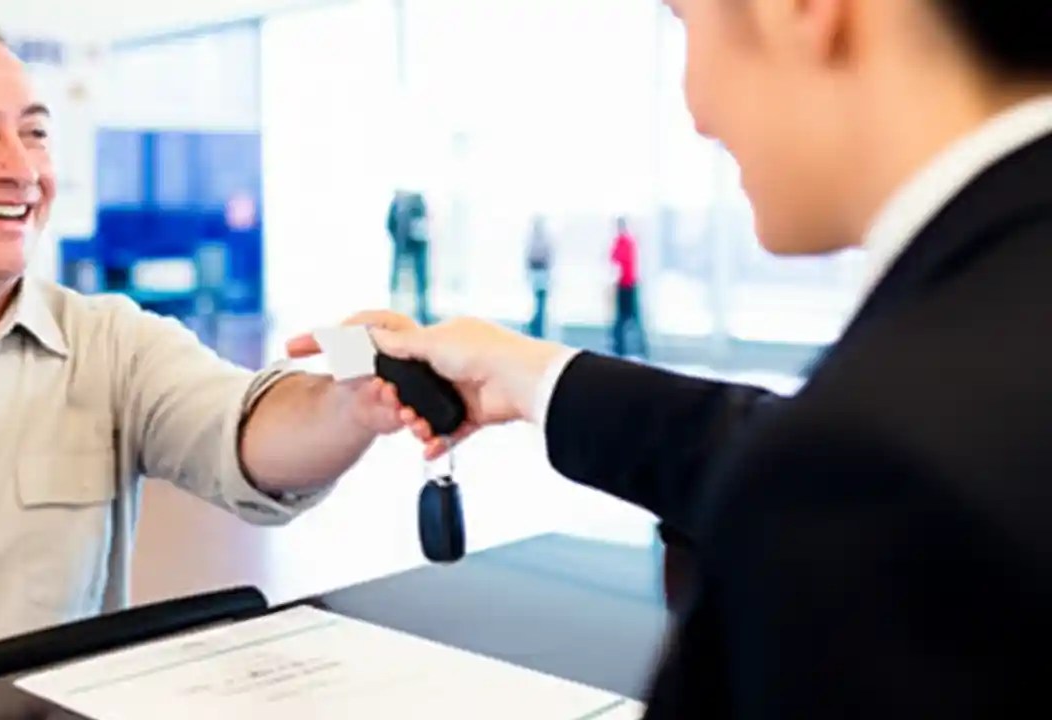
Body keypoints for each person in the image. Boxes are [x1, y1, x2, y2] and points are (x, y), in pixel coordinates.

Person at [292, 0, 1052, 716]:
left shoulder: (879, 470)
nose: (697, 112)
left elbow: (854, 477)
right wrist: (538, 379)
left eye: (687, 17)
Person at [0, 15, 405, 719]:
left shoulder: (113, 344)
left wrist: (349, 405)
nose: (21, 167)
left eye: (36, 132)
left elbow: (245, 429)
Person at [385, 189, 431, 324]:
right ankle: (400, 314)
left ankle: (419, 315)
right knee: (404, 282)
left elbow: (390, 225)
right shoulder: (408, 203)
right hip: (406, 247)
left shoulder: (414, 204)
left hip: (412, 248)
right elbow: (391, 225)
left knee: (416, 284)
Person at [609, 217, 648, 358]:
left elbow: (614, 259)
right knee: (630, 318)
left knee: (624, 319)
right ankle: (635, 349)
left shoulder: (623, 242)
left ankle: (620, 349)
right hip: (629, 284)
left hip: (626, 285)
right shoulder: (630, 242)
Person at [525, 215, 553, 337]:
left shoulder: (543, 240)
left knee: (541, 301)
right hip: (537, 270)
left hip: (541, 270)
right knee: (538, 301)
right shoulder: (533, 240)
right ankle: (535, 327)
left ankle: (537, 327)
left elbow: (548, 257)